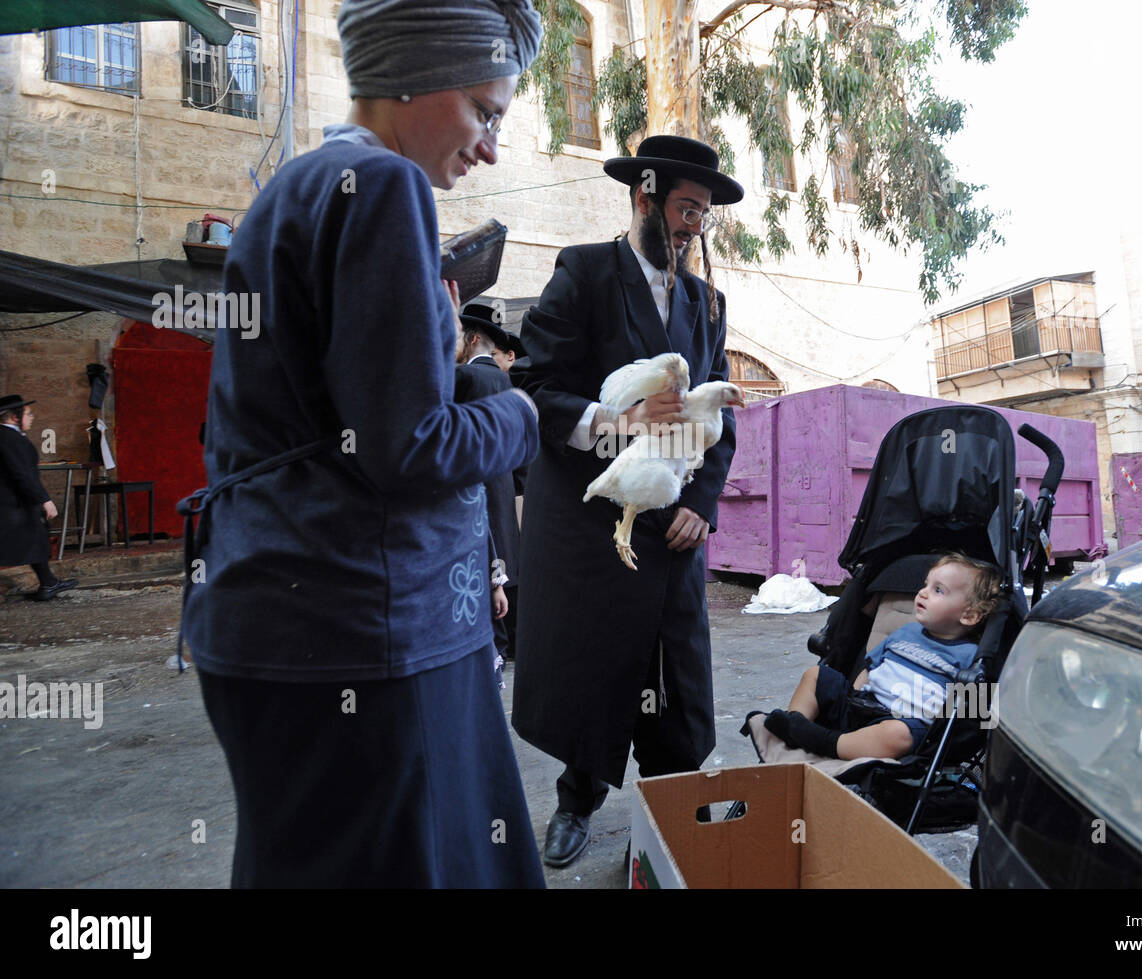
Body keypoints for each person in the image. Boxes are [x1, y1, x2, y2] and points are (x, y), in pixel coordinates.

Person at [181, 0, 546, 888]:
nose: (491, 148)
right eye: (484, 112)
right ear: (416, 75)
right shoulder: (385, 188)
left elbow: (325, 413)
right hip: (367, 632)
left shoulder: (293, 188)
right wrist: (514, 405)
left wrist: (443, 364)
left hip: (277, 615)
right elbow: (405, 447)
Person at [512, 135, 743, 868]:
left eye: (702, 214)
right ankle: (577, 797)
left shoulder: (707, 304)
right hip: (599, 531)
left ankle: (677, 812)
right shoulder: (583, 274)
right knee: (600, 680)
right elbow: (536, 387)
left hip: (673, 531)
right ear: (643, 196)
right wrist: (615, 425)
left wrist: (700, 502)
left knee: (674, 684)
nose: (692, 227)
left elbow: (722, 418)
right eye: (683, 209)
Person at [761, 553, 1001, 760]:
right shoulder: (905, 633)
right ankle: (795, 724)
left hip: (903, 722)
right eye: (925, 585)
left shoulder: (973, 658)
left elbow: (976, 718)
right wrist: (852, 697)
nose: (922, 594)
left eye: (938, 590)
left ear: (969, 615)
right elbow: (869, 669)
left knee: (897, 735)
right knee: (815, 675)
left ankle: (822, 741)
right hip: (862, 705)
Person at [454, 301, 524, 679]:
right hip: (500, 497)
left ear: (473, 337)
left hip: (473, 502)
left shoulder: (463, 380)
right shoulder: (503, 380)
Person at [0, 395, 77, 601]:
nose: (31, 417)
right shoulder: (8, 437)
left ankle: (48, 583)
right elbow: (21, 473)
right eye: (27, 413)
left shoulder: (11, 436)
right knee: (27, 538)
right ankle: (48, 583)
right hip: (13, 503)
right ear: (15, 417)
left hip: (18, 502)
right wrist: (43, 499)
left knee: (36, 539)